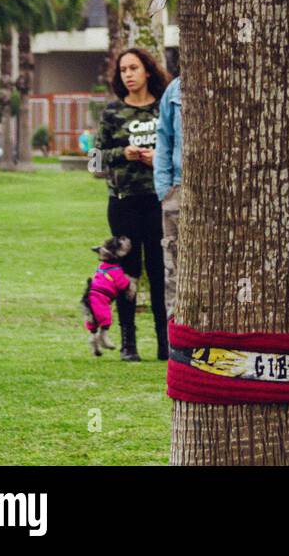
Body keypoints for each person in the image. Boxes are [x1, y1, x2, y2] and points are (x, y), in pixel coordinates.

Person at [93, 48, 170, 361]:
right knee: (127, 274)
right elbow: (95, 160)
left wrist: (158, 158)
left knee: (160, 270)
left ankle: (166, 344)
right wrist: (121, 154)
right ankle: (129, 345)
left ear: (147, 71)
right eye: (123, 69)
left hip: (158, 201)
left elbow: (180, 148)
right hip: (124, 203)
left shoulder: (164, 109)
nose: (128, 74)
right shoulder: (112, 113)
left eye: (134, 68)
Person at [154, 74, 182, 320]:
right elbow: (163, 138)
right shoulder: (175, 90)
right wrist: (165, 190)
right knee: (173, 270)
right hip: (178, 191)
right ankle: (176, 343)